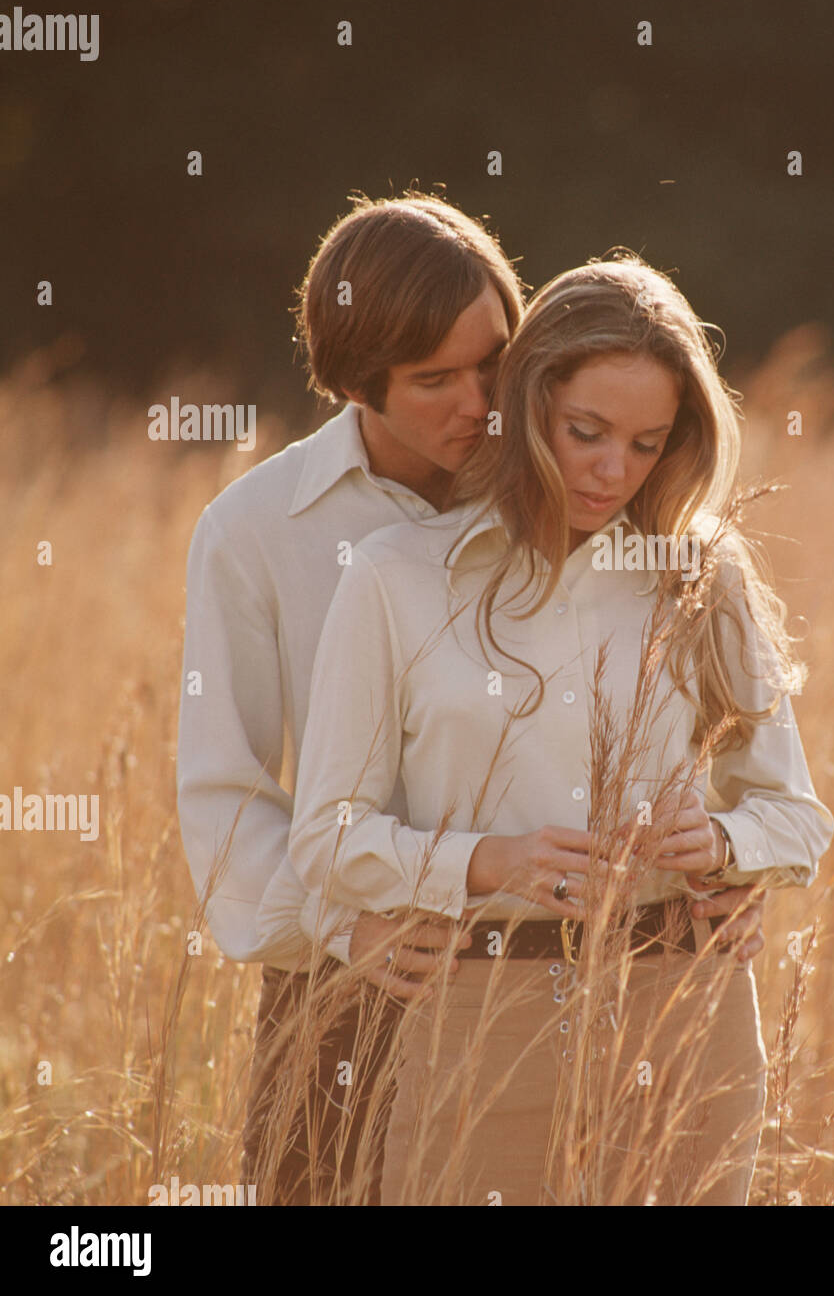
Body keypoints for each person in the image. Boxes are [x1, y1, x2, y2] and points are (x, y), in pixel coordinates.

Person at [177, 193, 771, 1205]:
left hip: (556, 985)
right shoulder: (255, 528)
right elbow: (224, 799)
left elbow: (686, 729)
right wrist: (342, 928)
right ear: (357, 386)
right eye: (433, 380)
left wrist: (722, 858)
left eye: (493, 362)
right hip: (358, 979)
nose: (478, 400)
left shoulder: (584, 491)